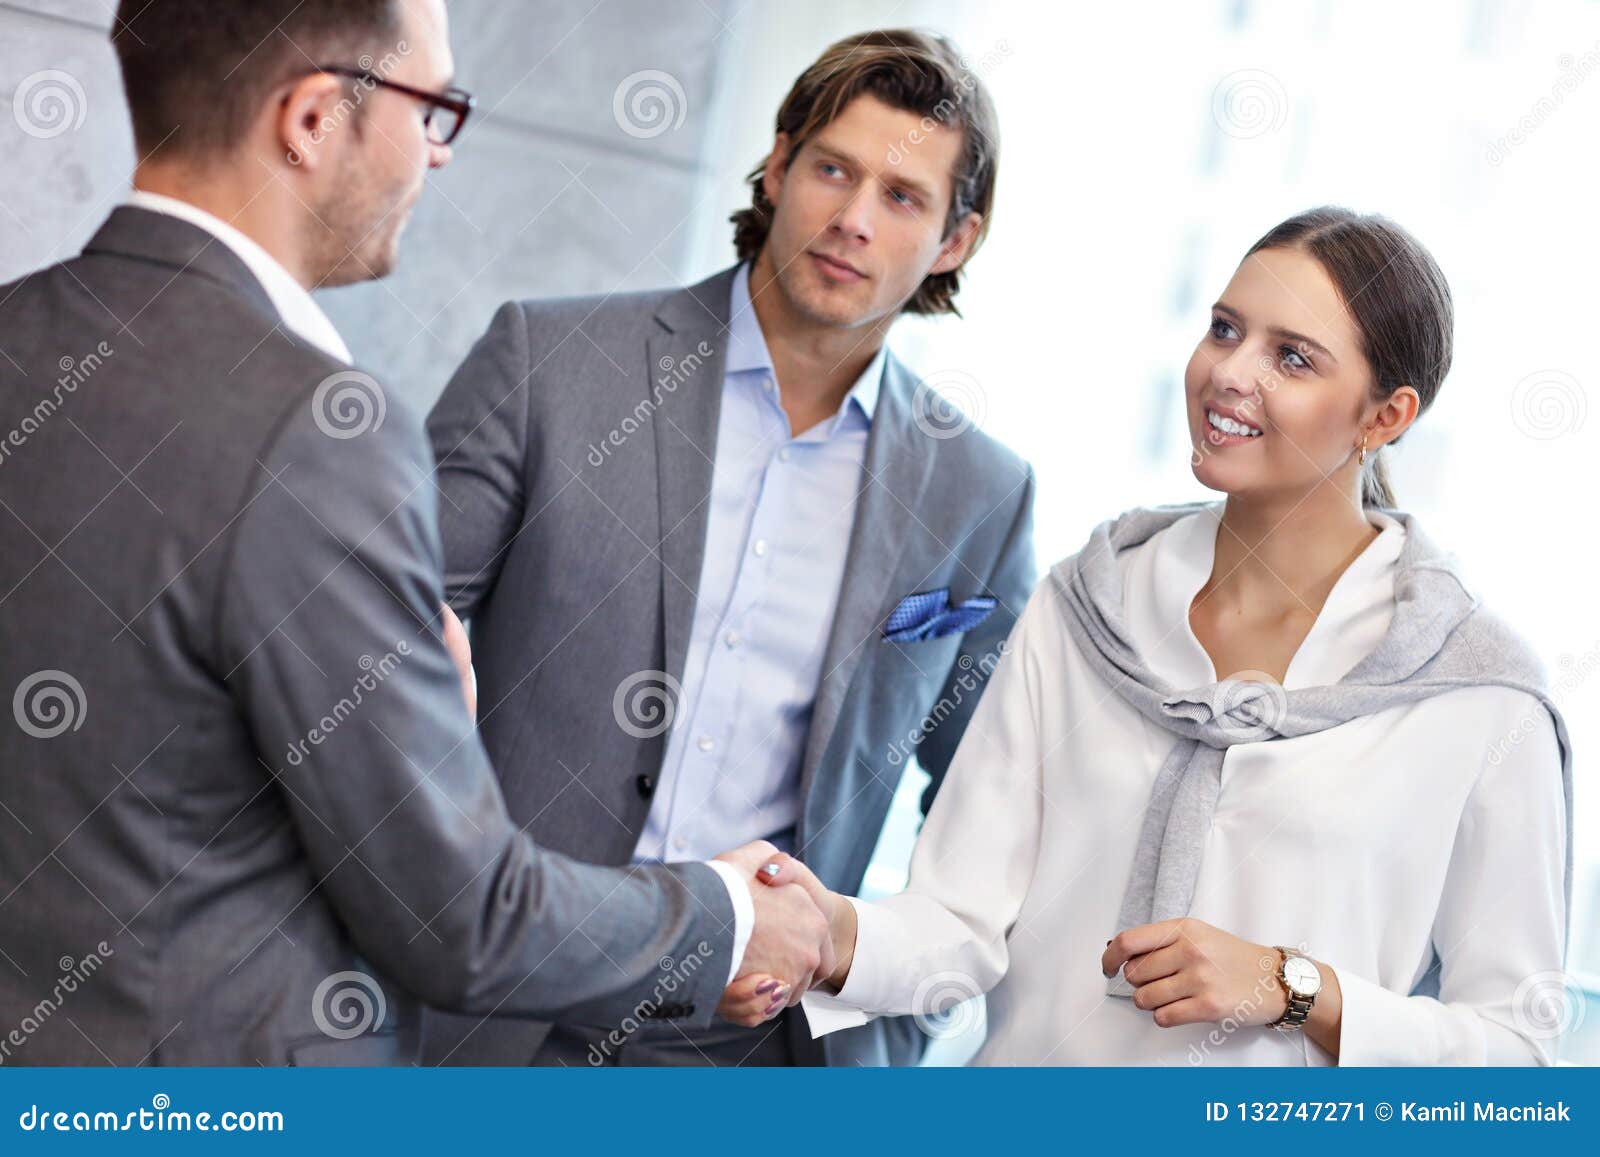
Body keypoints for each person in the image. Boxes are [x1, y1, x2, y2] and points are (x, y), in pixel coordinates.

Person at [0, 0, 829, 1066]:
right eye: (433, 106)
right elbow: (463, 919)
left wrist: (400, 707)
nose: (437, 156)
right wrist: (723, 915)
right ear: (309, 119)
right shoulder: (312, 429)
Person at [737, 207, 1574, 1066]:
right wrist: (826, 932)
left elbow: (1518, 1048)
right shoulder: (1088, 605)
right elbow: (958, 919)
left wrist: (1296, 988)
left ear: (1385, 417)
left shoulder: (1478, 695)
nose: (1228, 372)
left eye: (1292, 356)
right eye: (1224, 329)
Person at [422, 29, 1035, 1067]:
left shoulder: (977, 490)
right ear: (780, 160)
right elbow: (374, 658)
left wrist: (893, 1007)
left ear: (953, 241)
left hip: (761, 1050)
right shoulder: (550, 363)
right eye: (833, 169)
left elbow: (999, 807)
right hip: (499, 1009)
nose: (851, 219)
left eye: (902, 196)